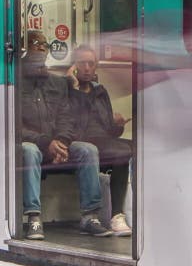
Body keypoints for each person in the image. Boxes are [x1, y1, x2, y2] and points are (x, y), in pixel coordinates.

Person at [20, 30, 111, 240]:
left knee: (88, 150)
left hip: (56, 143)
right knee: (29, 150)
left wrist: (61, 141)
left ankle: (90, 216)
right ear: (24, 50)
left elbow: (67, 118)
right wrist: (46, 142)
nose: (41, 49)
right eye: (35, 44)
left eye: (44, 45)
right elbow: (15, 127)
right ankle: (34, 217)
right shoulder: (14, 85)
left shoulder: (58, 83)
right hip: (33, 144)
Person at [67, 45, 132, 236]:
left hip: (104, 141)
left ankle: (135, 209)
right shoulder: (66, 90)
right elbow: (73, 126)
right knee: (122, 152)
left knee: (137, 148)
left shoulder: (101, 92)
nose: (87, 68)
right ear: (74, 66)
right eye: (82, 63)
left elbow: (110, 131)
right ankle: (117, 215)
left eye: (91, 63)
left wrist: (118, 125)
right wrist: (75, 89)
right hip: (82, 142)